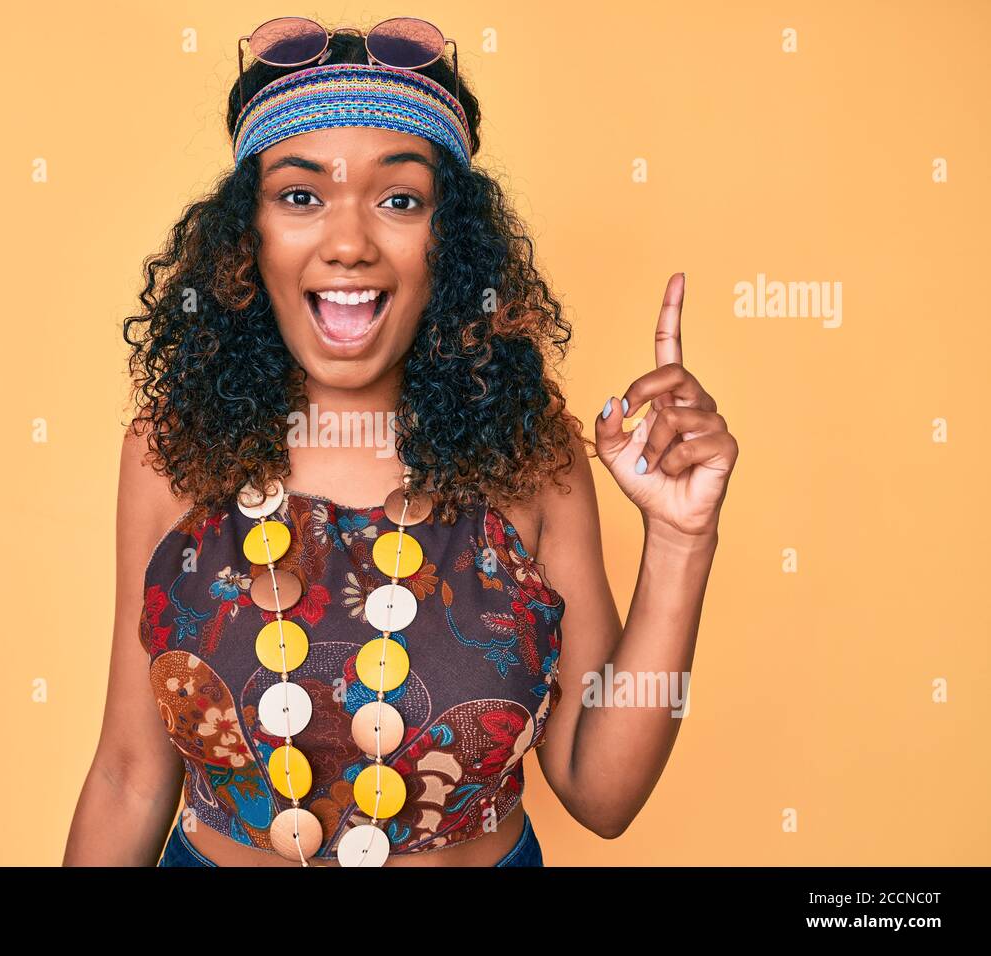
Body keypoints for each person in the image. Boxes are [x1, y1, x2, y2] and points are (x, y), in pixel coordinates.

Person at [63, 18, 737, 868]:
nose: (348, 243)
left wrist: (681, 540)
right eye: (300, 196)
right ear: (248, 236)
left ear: (449, 240)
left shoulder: (533, 457)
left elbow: (600, 793)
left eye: (400, 199)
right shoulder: (174, 451)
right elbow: (128, 776)